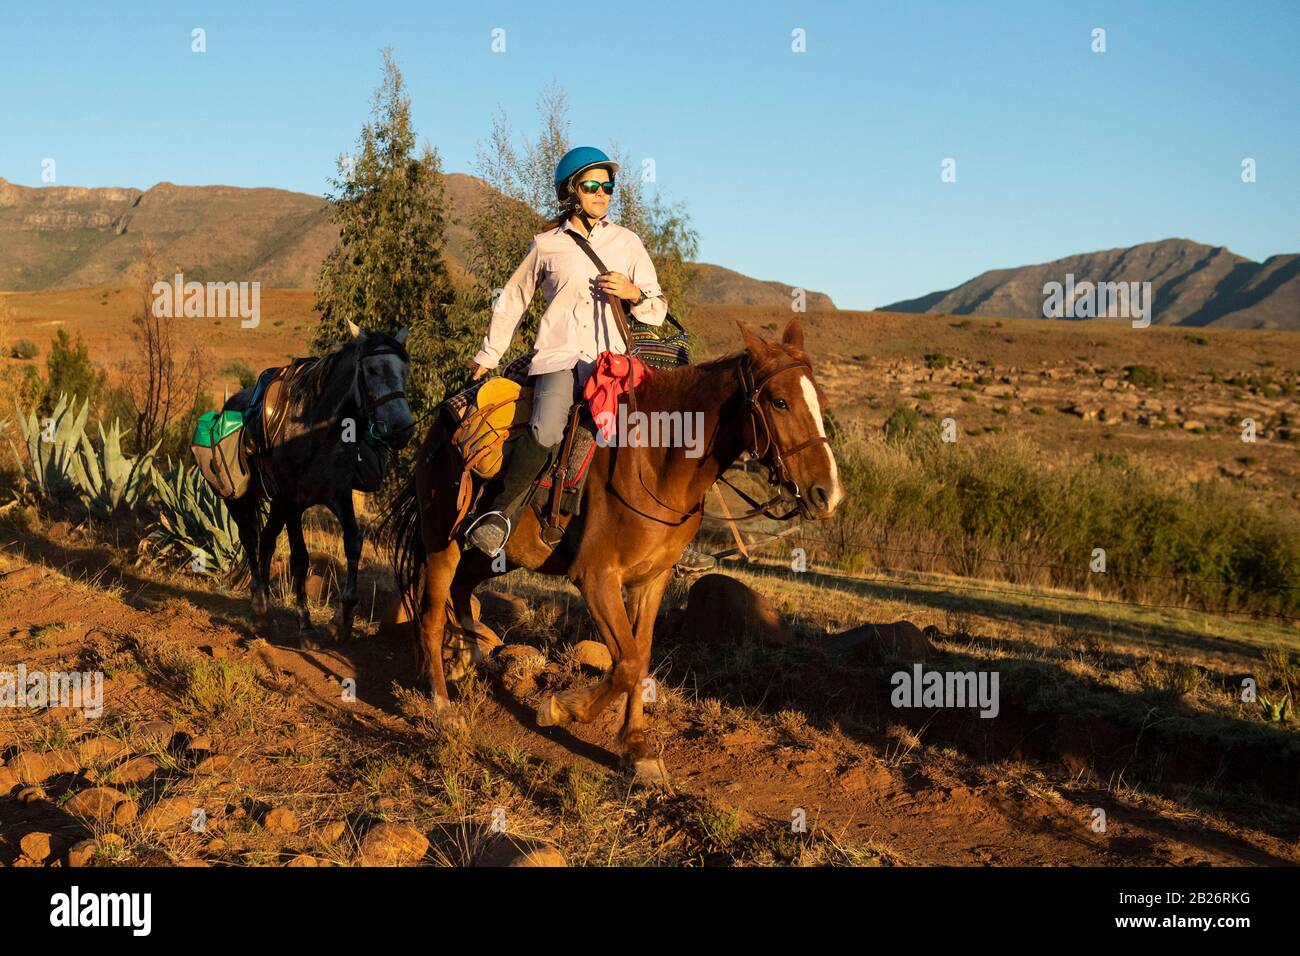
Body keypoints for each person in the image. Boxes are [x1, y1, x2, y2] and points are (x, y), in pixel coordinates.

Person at [462, 145, 716, 573]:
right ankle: (499, 515)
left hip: (614, 363)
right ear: (570, 191)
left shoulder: (627, 243)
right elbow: (512, 301)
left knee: (661, 431)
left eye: (609, 186)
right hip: (561, 357)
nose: (603, 193)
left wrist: (633, 294)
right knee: (546, 428)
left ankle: (673, 536)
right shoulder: (546, 246)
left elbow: (656, 308)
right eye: (592, 185)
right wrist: (488, 355)